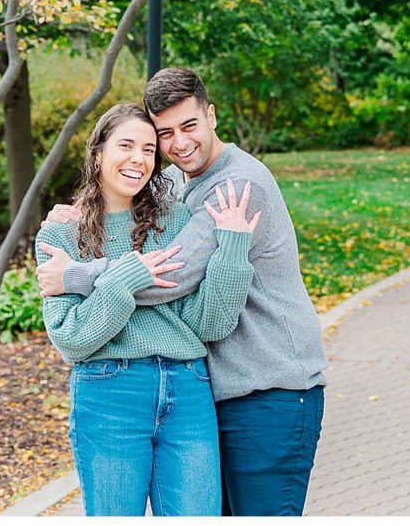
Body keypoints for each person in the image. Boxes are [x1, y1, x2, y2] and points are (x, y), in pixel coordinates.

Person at [38, 68, 327, 516]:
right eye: (164, 135)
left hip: (271, 386)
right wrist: (82, 211)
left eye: (189, 126)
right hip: (219, 389)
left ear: (211, 116)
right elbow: (125, 200)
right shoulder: (174, 184)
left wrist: (76, 276)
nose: (177, 144)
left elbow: (172, 276)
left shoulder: (237, 185)